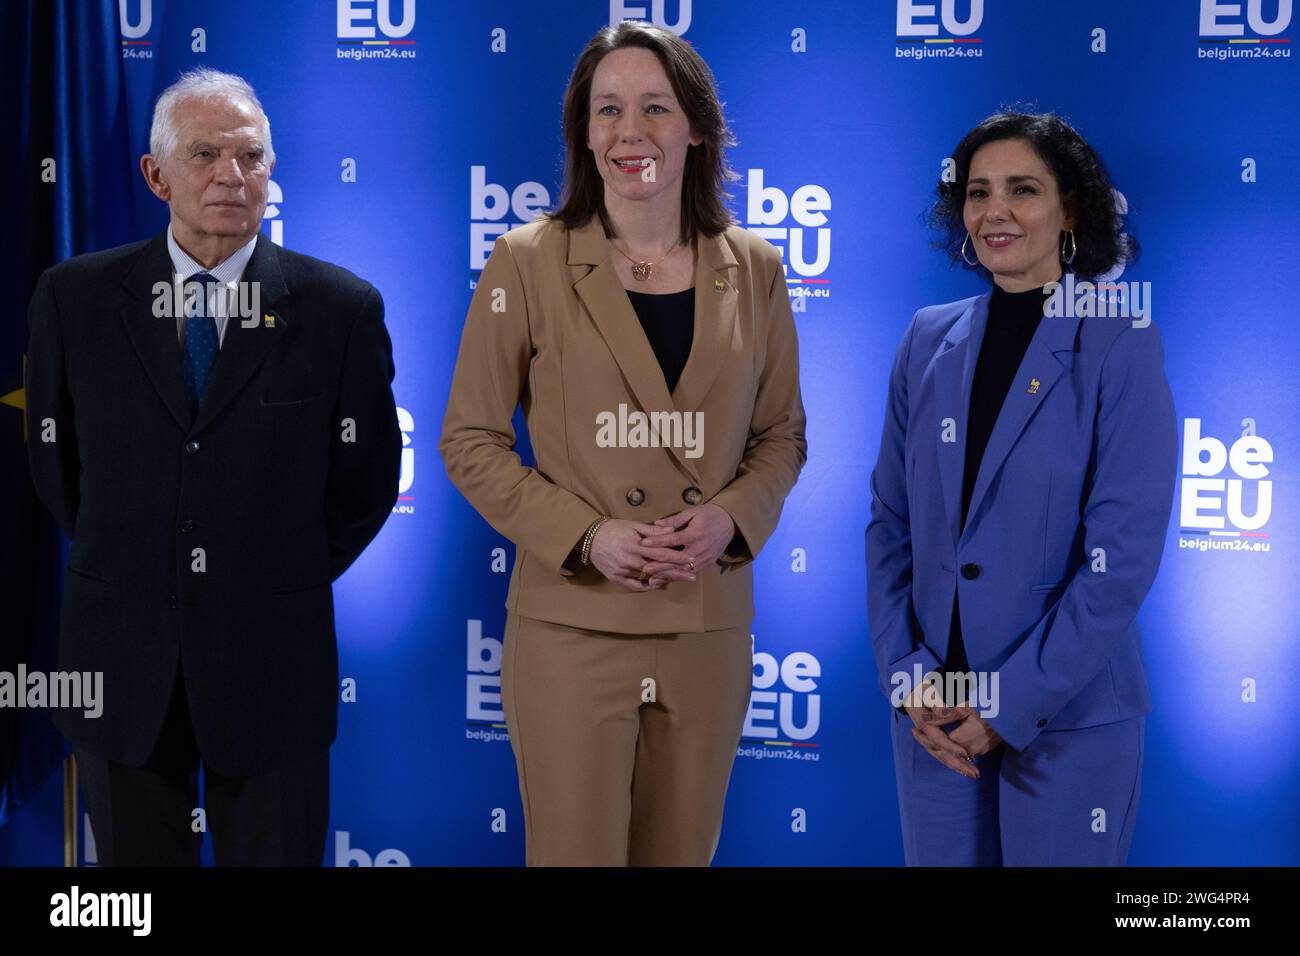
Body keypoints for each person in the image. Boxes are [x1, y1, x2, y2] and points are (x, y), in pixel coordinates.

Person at [439, 21, 806, 866]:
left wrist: (728, 520)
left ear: (697, 128)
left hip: (705, 623)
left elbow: (782, 434)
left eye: (654, 108)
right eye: (608, 110)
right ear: (583, 130)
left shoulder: (754, 267)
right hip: (574, 628)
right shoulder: (525, 261)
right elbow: (470, 440)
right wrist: (587, 535)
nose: (629, 132)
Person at [25, 68, 402, 865]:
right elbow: (61, 473)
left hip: (275, 665)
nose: (232, 176)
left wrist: (266, 572)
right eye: (206, 155)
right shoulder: (74, 299)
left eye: (251, 156)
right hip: (120, 665)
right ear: (156, 174)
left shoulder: (339, 309)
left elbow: (366, 484)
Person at [866, 111, 1177, 865]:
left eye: (1023, 190)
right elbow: (889, 526)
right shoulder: (925, 337)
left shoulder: (1119, 342)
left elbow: (1121, 560)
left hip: (1068, 720)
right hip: (936, 726)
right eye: (977, 192)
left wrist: (1009, 704)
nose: (994, 212)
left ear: (1070, 209)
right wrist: (909, 679)